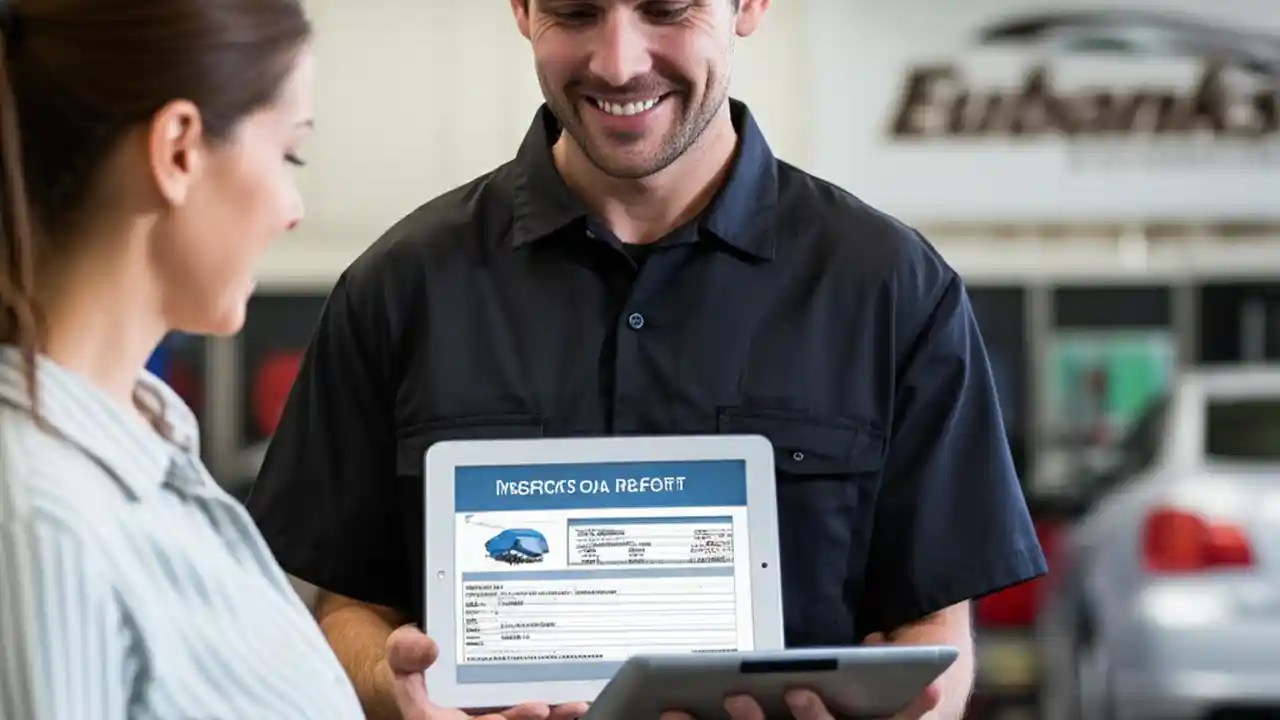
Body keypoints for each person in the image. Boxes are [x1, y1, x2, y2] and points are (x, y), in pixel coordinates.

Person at [246, 0, 1048, 718]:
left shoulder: (890, 287)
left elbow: (935, 622)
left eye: (666, 9)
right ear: (523, 10)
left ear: (749, 6)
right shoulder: (400, 288)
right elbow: (346, 606)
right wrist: (396, 691)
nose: (619, 61)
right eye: (577, 13)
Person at [0, 0, 365, 717]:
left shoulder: (149, 442)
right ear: (177, 151)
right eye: (288, 152)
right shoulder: (44, 520)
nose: (293, 207)